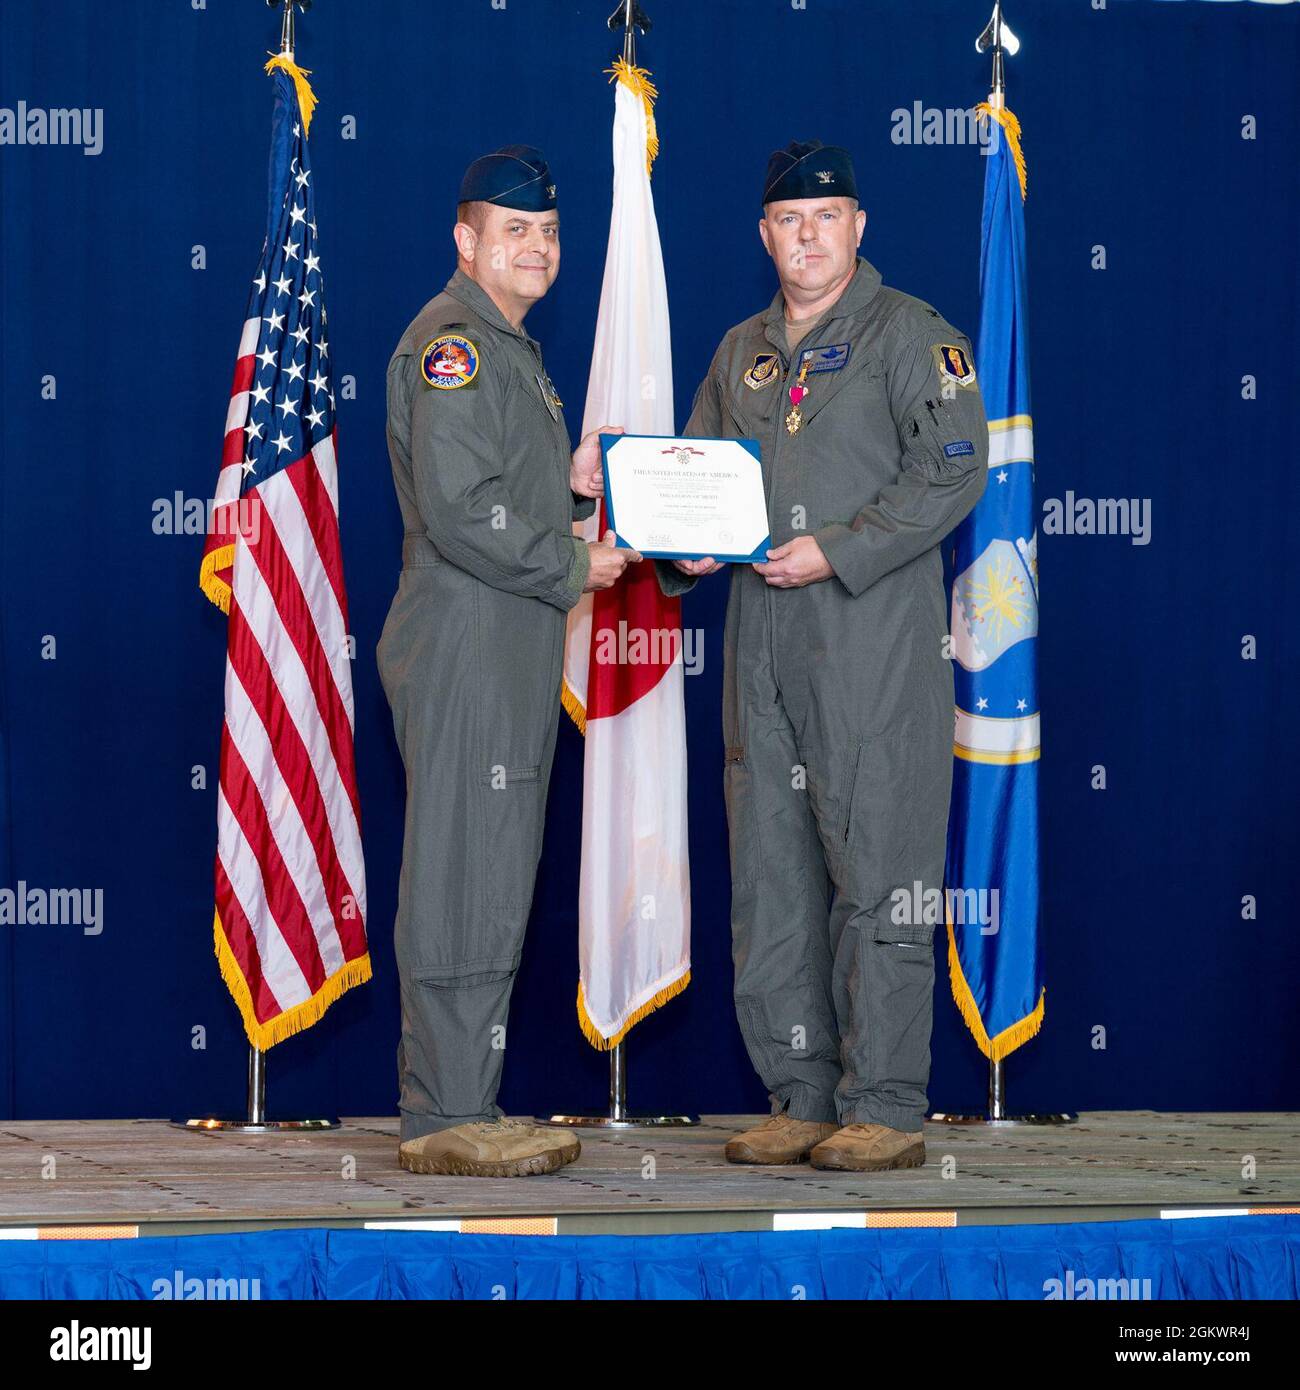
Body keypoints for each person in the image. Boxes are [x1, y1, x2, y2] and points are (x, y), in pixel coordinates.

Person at [676, 140, 989, 1172]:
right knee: (770, 871)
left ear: (858, 227)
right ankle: (800, 1091)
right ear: (764, 234)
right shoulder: (740, 352)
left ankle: (887, 1101)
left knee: (878, 867)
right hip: (761, 640)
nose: (806, 236)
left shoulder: (913, 336)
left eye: (827, 217)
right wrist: (678, 540)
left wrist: (841, 549)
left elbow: (952, 469)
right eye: (787, 221)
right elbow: (700, 476)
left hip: (870, 641)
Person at [378, 145, 640, 1177]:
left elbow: (500, 501)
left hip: (508, 638)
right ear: (466, 241)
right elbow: (458, 511)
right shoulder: (457, 346)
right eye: (513, 231)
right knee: (457, 873)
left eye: (547, 232)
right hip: (467, 643)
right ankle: (441, 1112)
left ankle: (465, 1099)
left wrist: (575, 493)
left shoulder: (509, 348)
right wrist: (575, 555)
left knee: (491, 875)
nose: (535, 248)